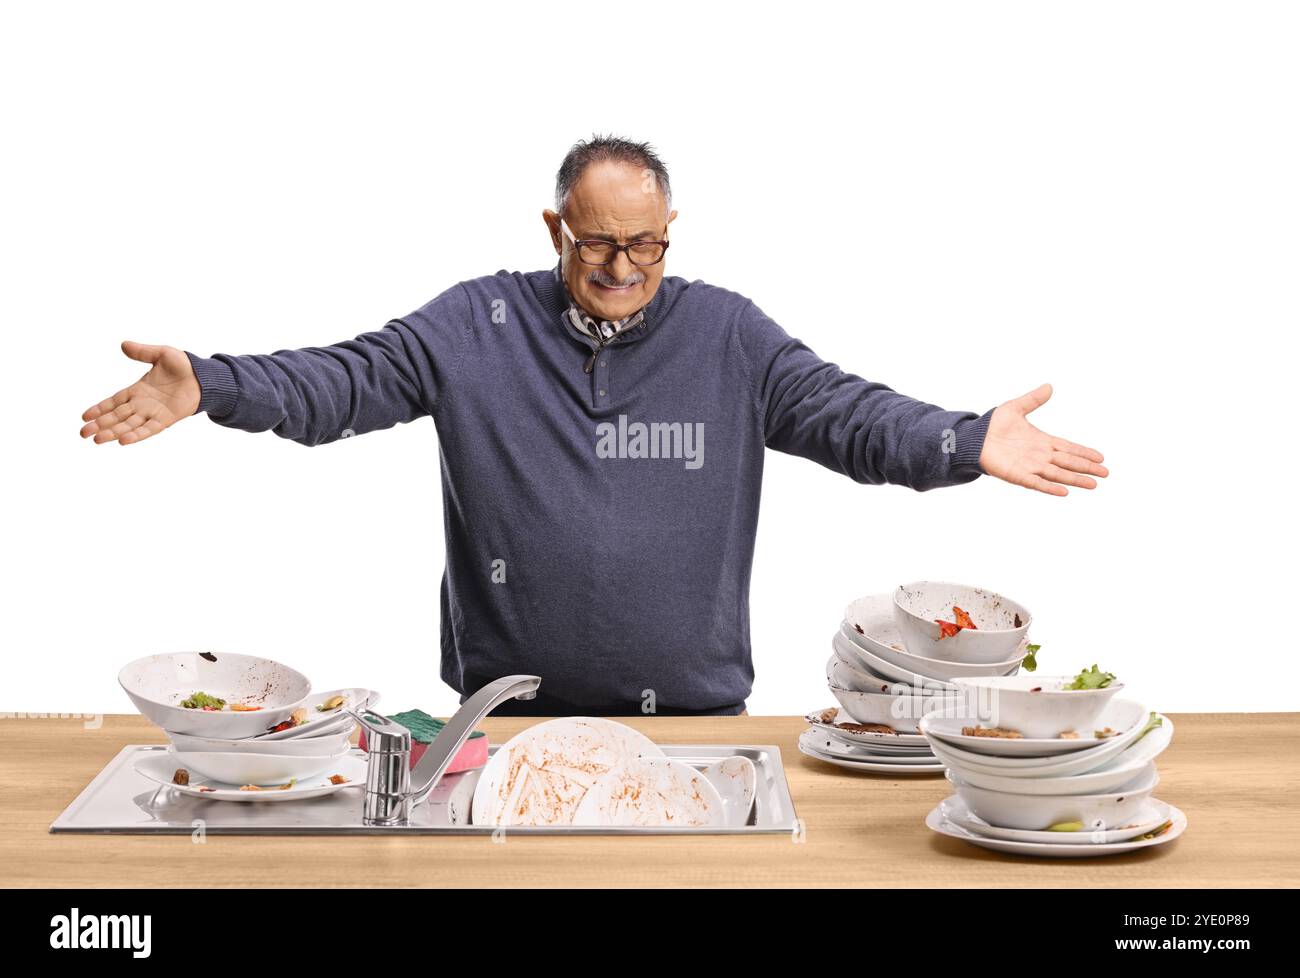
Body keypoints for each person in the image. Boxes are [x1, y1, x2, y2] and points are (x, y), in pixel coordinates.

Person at [79, 135, 1107, 716]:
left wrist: (963, 440)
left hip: (695, 718)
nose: (622, 268)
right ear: (554, 229)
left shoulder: (728, 336)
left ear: (671, 236)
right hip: (503, 717)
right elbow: (340, 383)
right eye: (598, 244)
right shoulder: (470, 326)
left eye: (645, 246)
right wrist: (211, 384)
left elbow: (847, 415)